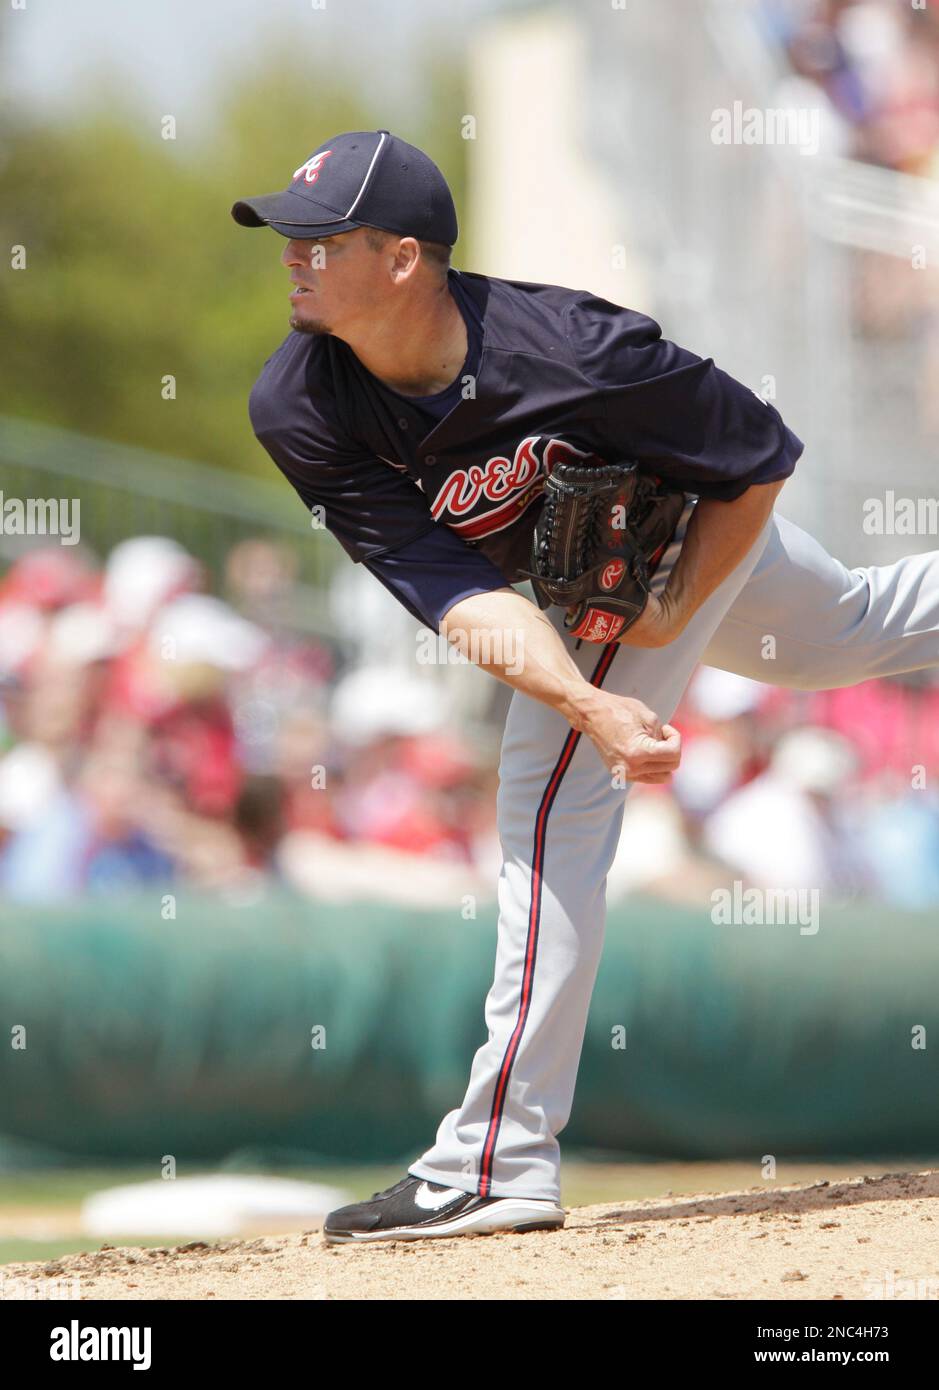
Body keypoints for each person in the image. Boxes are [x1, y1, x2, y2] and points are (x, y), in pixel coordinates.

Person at [232, 129, 939, 1243]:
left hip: (681, 542)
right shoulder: (303, 406)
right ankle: (499, 1155)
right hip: (586, 591)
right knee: (846, 631)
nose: (293, 255)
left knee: (551, 798)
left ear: (406, 258)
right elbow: (458, 593)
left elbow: (758, 460)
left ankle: (496, 1159)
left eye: (321, 238)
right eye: (290, 236)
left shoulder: (573, 350)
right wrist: (591, 699)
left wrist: (667, 607)